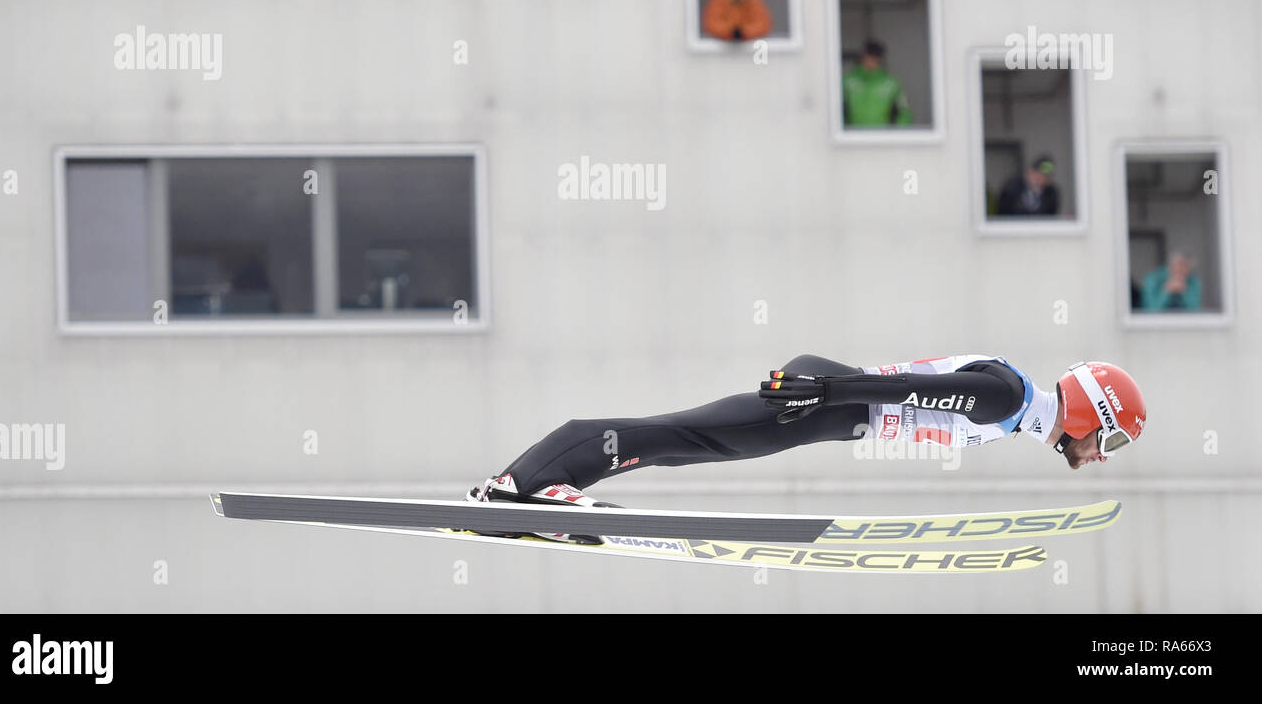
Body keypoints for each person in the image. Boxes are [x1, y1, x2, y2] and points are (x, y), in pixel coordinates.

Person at [468, 354, 1146, 542]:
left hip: (831, 407)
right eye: (1109, 436)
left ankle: (543, 487)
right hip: (825, 405)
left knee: (685, 443)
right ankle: (523, 482)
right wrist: (823, 391)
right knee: (682, 436)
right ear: (1093, 412)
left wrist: (830, 394)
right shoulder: (1008, 398)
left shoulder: (1015, 404)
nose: (1102, 452)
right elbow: (908, 388)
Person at [843, 39, 913, 126]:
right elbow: (837, 111)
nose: (872, 60)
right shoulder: (848, 81)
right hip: (852, 137)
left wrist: (898, 135)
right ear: (862, 57)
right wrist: (845, 133)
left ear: (881, 59)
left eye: (876, 56)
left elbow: (904, 112)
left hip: (881, 137)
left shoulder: (891, 83)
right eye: (869, 55)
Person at [997, 155, 1061, 217]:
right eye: (1039, 174)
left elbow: (1051, 216)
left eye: (1046, 176)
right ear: (1030, 172)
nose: (1042, 178)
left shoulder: (1051, 193)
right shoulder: (1011, 188)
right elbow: (1002, 213)